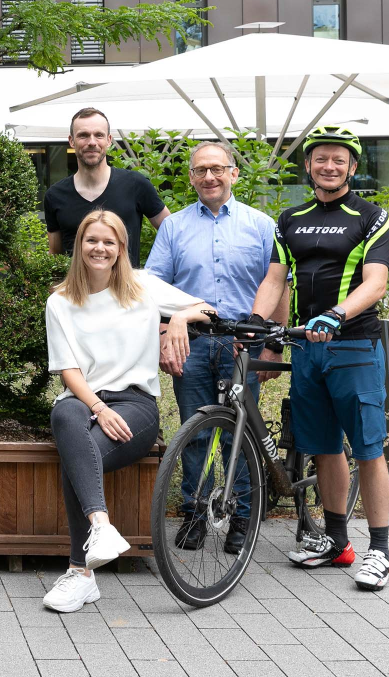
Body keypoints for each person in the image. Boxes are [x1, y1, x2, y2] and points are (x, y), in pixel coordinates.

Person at [42, 210, 211, 612]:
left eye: (109, 242)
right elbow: (68, 371)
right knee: (65, 417)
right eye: (91, 240)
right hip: (86, 401)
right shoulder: (60, 301)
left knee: (77, 453)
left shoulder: (143, 287)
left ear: (121, 249)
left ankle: (80, 573)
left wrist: (180, 319)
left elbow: (208, 309)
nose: (99, 249)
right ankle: (101, 528)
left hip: (136, 404)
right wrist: (98, 408)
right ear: (79, 245)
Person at [251, 125, 389, 591]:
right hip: (307, 349)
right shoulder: (289, 218)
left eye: (338, 160)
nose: (328, 166)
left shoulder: (371, 216)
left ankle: (380, 551)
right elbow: (276, 278)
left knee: (368, 449)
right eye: (320, 159)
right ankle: (336, 542)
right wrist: (254, 322)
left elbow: (375, 282)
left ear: (353, 167)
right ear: (308, 166)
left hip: (354, 345)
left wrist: (337, 313)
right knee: (324, 447)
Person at [145, 142, 287, 553]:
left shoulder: (261, 225)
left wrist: (273, 346)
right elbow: (155, 287)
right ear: (191, 178)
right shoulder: (174, 228)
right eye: (201, 171)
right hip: (190, 344)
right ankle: (193, 513)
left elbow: (278, 284)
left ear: (234, 173)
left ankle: (242, 515)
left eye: (217, 169)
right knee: (193, 432)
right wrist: (159, 338)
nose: (209, 177)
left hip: (243, 345)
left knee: (237, 434)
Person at [44, 108, 170, 267]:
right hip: (78, 291)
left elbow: (171, 233)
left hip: (125, 290)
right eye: (83, 135)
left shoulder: (136, 185)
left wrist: (153, 273)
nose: (92, 142)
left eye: (99, 135)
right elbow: (55, 255)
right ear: (71, 141)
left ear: (109, 140)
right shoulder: (55, 196)